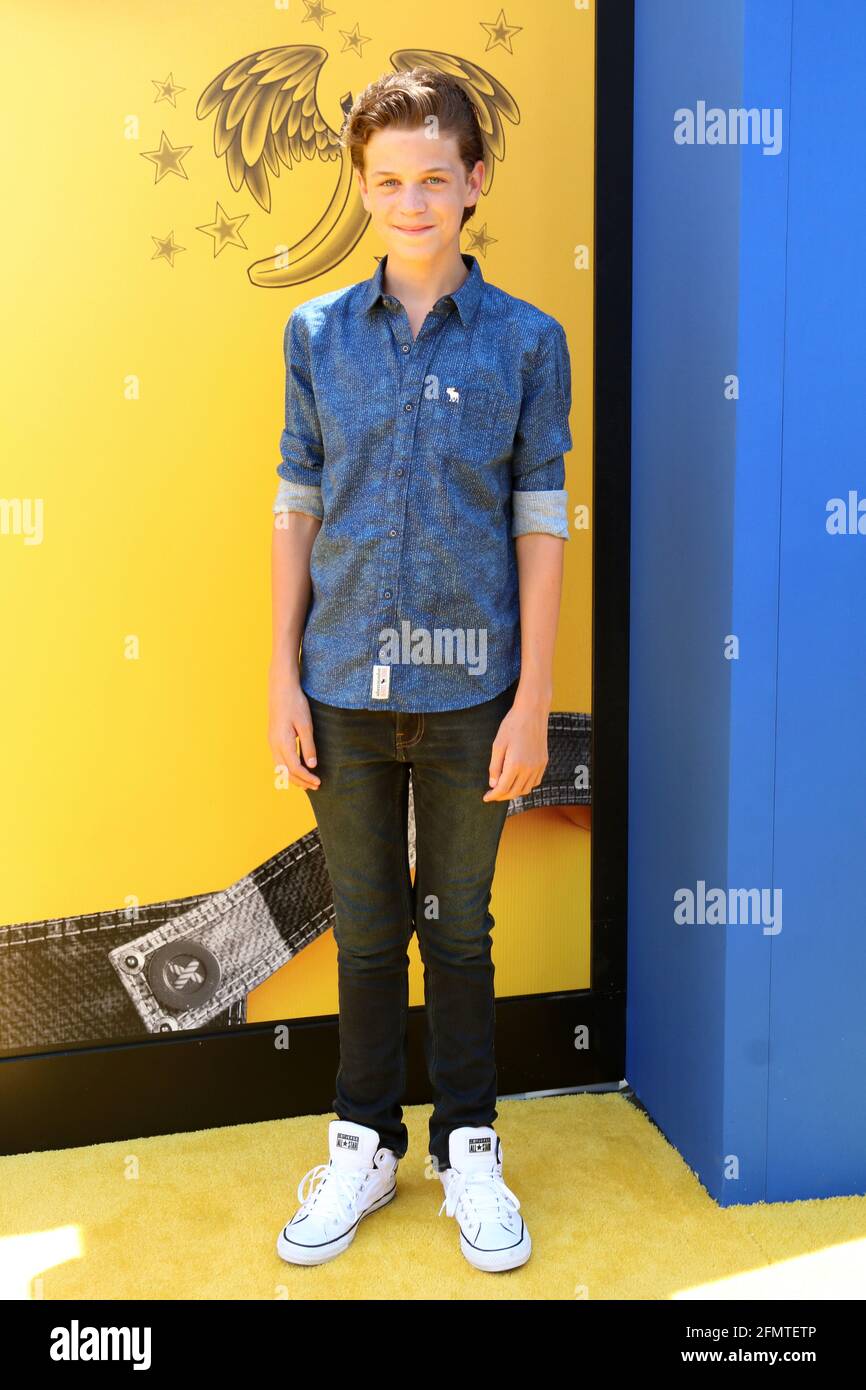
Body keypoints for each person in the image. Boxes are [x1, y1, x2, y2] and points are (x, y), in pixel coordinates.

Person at [268, 68, 572, 1273]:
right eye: (386, 181)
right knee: (364, 929)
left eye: (432, 180)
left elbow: (538, 523)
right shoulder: (312, 336)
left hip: (469, 695)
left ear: (473, 184)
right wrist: (278, 679)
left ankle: (468, 1146)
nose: (410, 201)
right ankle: (361, 1137)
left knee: (456, 930)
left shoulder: (527, 341)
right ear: (361, 188)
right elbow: (294, 508)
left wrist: (532, 697)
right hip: (337, 684)